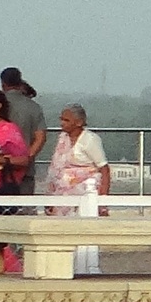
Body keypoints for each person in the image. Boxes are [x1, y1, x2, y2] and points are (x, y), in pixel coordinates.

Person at [47, 105, 112, 274]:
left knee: (84, 230)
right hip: (63, 193)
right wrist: (50, 197)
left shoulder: (89, 140)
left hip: (86, 192)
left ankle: (88, 267)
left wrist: (102, 201)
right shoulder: (63, 139)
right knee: (61, 231)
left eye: (66, 120)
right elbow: (55, 169)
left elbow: (104, 169)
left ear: (79, 122)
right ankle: (62, 267)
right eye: (61, 119)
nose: (62, 123)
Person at [0, 68, 47, 197]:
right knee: (24, 208)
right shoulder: (33, 107)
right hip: (26, 170)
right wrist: (27, 157)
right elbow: (41, 137)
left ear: (3, 83)